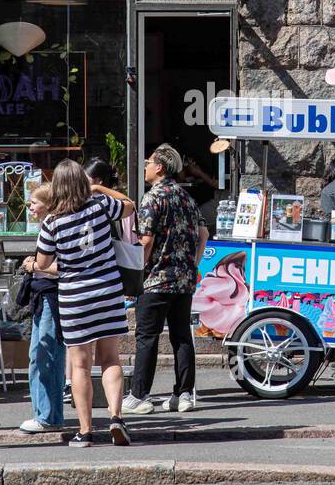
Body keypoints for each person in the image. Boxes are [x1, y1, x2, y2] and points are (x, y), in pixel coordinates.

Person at [34, 159, 136, 448]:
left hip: (75, 298)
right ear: (82, 182)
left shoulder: (52, 222)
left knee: (79, 366)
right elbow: (129, 205)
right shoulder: (100, 205)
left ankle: (86, 430)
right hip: (108, 292)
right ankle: (116, 418)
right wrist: (99, 187)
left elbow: (43, 263)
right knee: (111, 359)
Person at [124, 144, 209, 416]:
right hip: (183, 280)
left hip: (157, 279)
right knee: (181, 337)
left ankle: (139, 395)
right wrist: (192, 264)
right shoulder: (186, 197)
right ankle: (183, 394)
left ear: (159, 167)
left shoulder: (153, 198)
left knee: (146, 337)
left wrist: (138, 271)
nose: (146, 166)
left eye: (149, 162)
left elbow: (146, 240)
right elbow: (203, 233)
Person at [19, 183, 64, 433]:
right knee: (41, 355)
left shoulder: (55, 225)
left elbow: (63, 266)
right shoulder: (49, 226)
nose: (30, 207)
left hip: (50, 295)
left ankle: (47, 416)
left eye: (34, 202)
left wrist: (34, 266)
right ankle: (46, 413)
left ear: (48, 203)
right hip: (43, 295)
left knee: (45, 354)